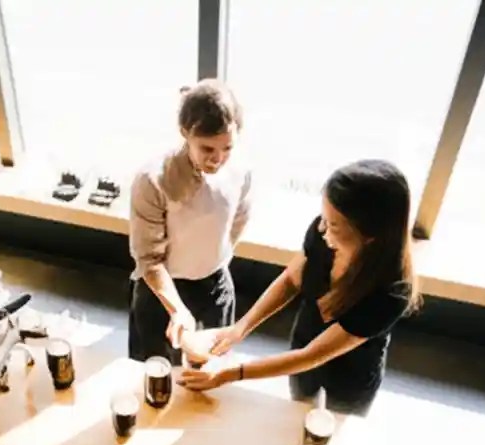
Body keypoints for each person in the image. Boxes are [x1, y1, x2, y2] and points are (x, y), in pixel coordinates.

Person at [179, 159, 419, 415]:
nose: (322, 230)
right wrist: (240, 327)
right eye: (324, 218)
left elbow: (311, 356)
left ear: (371, 234)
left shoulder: (391, 292)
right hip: (306, 336)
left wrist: (230, 374)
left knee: (333, 425)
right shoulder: (321, 232)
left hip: (352, 370)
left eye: (334, 225)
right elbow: (291, 279)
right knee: (297, 409)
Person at [128, 79, 253, 363]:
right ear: (185, 133)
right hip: (162, 290)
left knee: (210, 371)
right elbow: (148, 259)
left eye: (227, 148)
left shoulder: (242, 172)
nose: (218, 159)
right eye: (207, 149)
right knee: (156, 370)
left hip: (215, 285)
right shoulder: (153, 179)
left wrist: (212, 258)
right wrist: (177, 309)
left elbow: (238, 222)